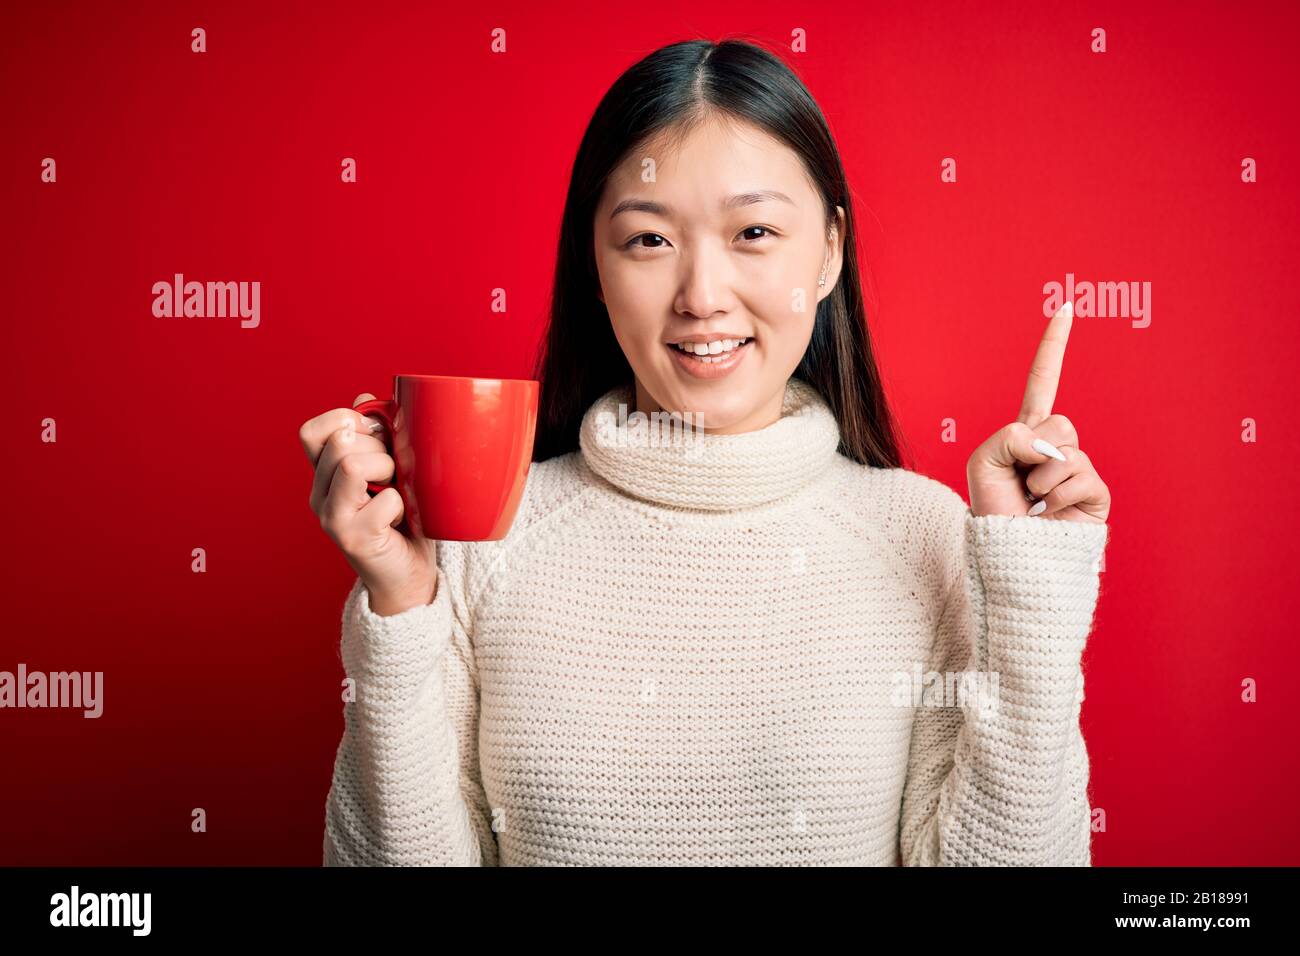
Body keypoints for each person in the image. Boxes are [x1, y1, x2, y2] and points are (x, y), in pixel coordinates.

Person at [299, 37, 1111, 866]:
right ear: (597, 263)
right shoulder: (481, 546)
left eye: (753, 231)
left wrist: (1029, 603)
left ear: (828, 251)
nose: (701, 297)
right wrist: (400, 604)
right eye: (649, 241)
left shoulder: (926, 537)